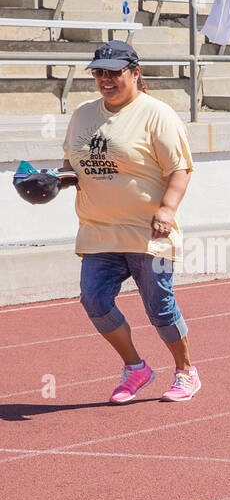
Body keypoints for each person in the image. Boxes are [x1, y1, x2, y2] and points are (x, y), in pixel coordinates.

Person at [60, 40, 199, 404]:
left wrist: (167, 209)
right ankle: (135, 368)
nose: (106, 79)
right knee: (93, 299)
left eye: (114, 72)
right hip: (98, 231)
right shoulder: (83, 115)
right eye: (99, 73)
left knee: (160, 308)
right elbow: (70, 164)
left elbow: (180, 169)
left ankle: (186, 371)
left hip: (148, 233)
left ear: (135, 74)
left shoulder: (157, 114)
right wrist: (50, 180)